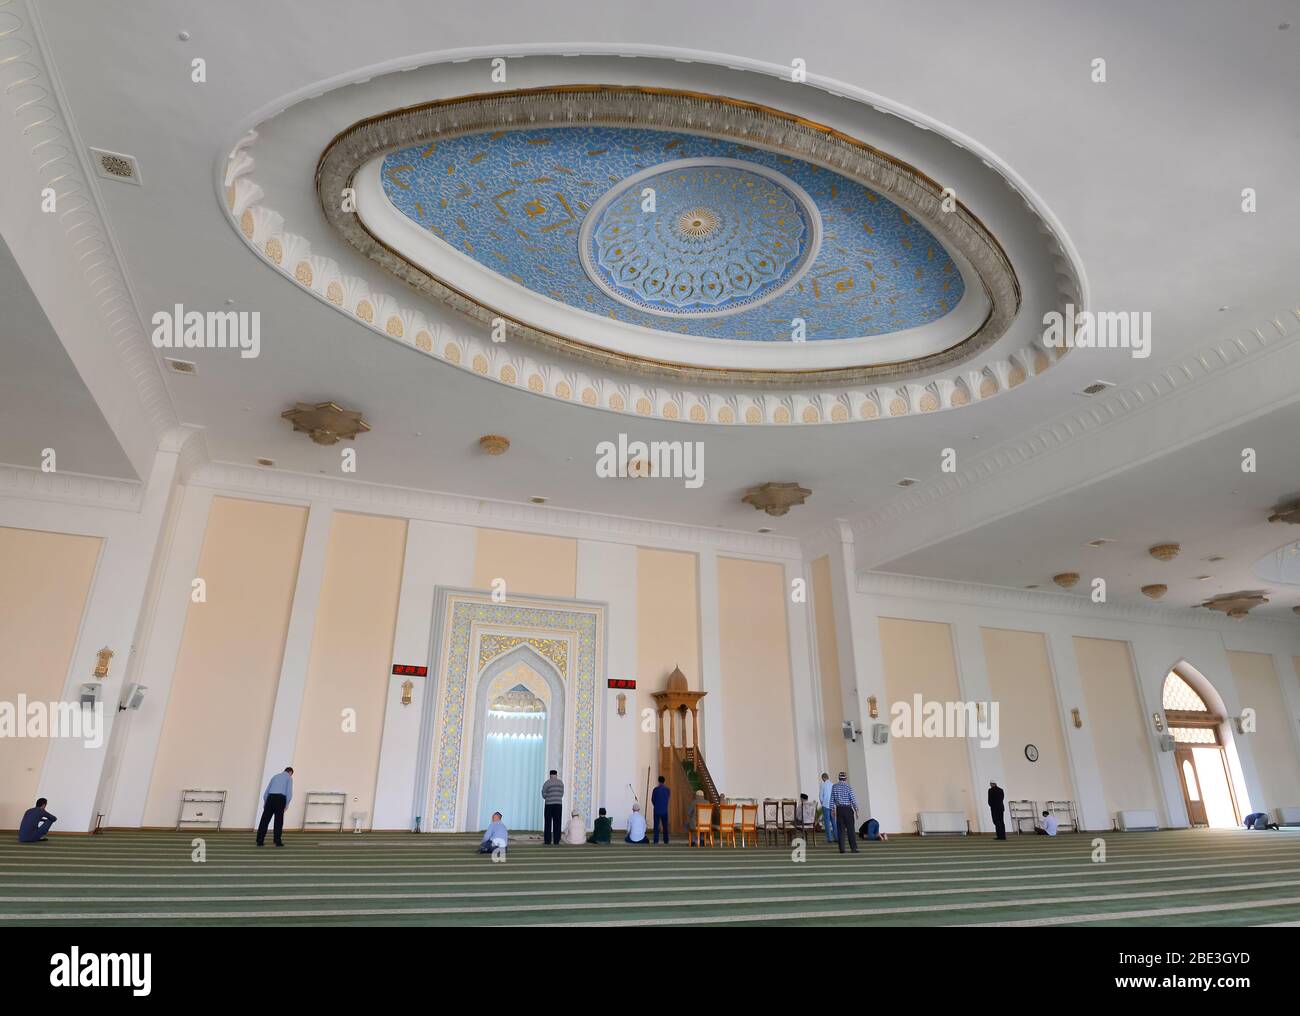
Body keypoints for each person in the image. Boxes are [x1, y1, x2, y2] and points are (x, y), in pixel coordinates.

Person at [256, 766, 293, 847]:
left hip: (270, 798)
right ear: (290, 773)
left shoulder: (275, 776)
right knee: (278, 821)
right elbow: (289, 793)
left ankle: (259, 840)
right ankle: (277, 841)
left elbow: (266, 792)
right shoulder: (289, 778)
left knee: (264, 820)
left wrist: (266, 802)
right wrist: (286, 805)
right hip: (280, 799)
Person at [831, 772, 860, 854]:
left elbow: (831, 800)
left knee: (840, 830)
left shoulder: (834, 787)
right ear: (845, 778)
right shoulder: (848, 787)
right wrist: (856, 810)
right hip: (848, 809)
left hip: (839, 810)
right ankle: (853, 848)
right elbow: (853, 800)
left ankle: (842, 849)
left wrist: (833, 810)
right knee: (851, 830)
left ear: (838, 778)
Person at [650, 775, 671, 844]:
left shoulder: (655, 789)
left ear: (658, 781)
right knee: (665, 826)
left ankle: (656, 841)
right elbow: (668, 798)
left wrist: (656, 805)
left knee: (656, 826)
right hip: (664, 810)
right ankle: (666, 840)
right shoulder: (667, 790)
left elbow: (652, 799)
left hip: (656, 810)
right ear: (664, 781)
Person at [819, 772, 837, 844]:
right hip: (833, 806)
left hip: (826, 805)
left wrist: (822, 803)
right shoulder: (833, 785)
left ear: (823, 778)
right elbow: (835, 796)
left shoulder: (823, 785)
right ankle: (836, 837)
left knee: (827, 822)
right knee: (834, 822)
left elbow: (820, 796)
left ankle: (829, 838)